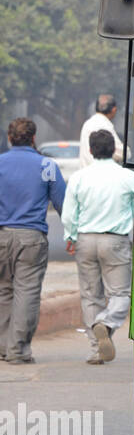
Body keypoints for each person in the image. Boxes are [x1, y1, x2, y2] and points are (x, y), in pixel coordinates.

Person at [62, 130, 134, 364]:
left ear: (91, 150)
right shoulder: (127, 177)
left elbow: (68, 214)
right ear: (113, 149)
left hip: (85, 239)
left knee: (90, 295)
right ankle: (107, 322)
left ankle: (96, 349)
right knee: (120, 294)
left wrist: (70, 236)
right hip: (115, 241)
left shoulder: (79, 177)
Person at [0, 118, 67, 364]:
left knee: (3, 290)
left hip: (2, 235)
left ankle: (4, 346)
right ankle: (17, 350)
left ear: (10, 138)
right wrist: (71, 233)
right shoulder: (46, 165)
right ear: (33, 138)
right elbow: (62, 203)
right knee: (26, 293)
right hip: (31, 238)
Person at [78, 94, 124, 168]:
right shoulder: (104, 125)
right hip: (100, 174)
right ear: (114, 110)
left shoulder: (88, 123)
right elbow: (120, 152)